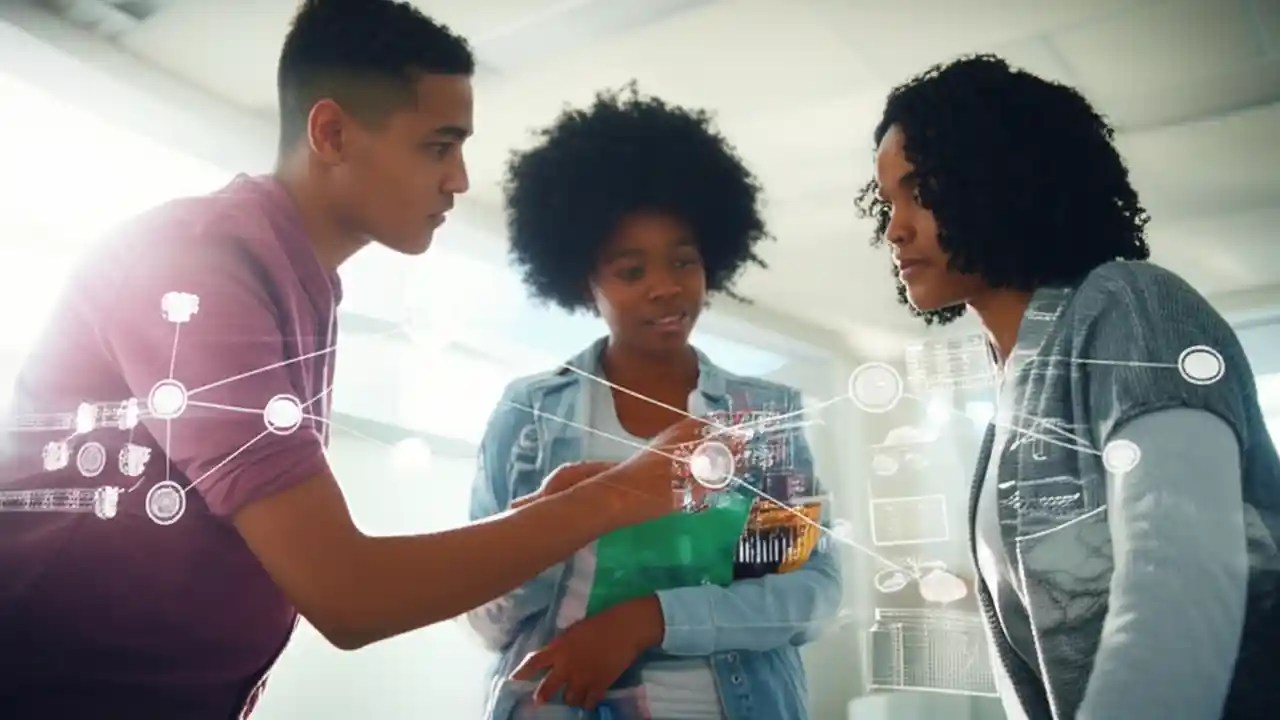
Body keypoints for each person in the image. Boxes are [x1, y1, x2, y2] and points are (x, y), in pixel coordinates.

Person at [0, 2, 711, 717]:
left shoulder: (300, 285)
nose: (460, 180)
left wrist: (552, 512)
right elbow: (346, 594)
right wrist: (619, 495)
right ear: (332, 133)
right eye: (439, 146)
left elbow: (321, 558)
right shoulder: (201, 268)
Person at [856, 54, 1280, 719]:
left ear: (999, 180)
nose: (895, 228)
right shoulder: (1013, 391)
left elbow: (1180, 591)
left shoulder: (1130, 306)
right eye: (888, 201)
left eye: (922, 190)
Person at [465, 84, 843, 720]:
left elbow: (805, 592)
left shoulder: (760, 418)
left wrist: (647, 620)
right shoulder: (532, 414)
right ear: (586, 281)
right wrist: (546, 531)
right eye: (631, 271)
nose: (666, 289)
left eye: (683, 262)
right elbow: (487, 618)